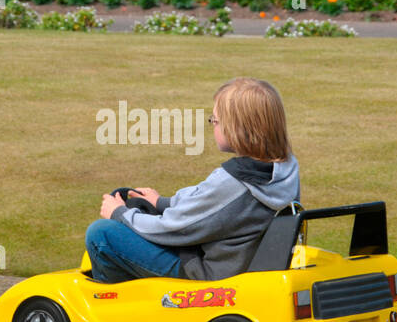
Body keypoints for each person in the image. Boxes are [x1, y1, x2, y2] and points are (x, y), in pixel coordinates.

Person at [84, 77, 300, 283]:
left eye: (214, 120)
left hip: (208, 275)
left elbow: (175, 228)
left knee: (102, 234)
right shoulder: (284, 168)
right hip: (241, 264)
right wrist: (162, 203)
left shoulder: (234, 183)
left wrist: (121, 214)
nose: (212, 125)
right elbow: (208, 202)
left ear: (237, 128)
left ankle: (119, 306)